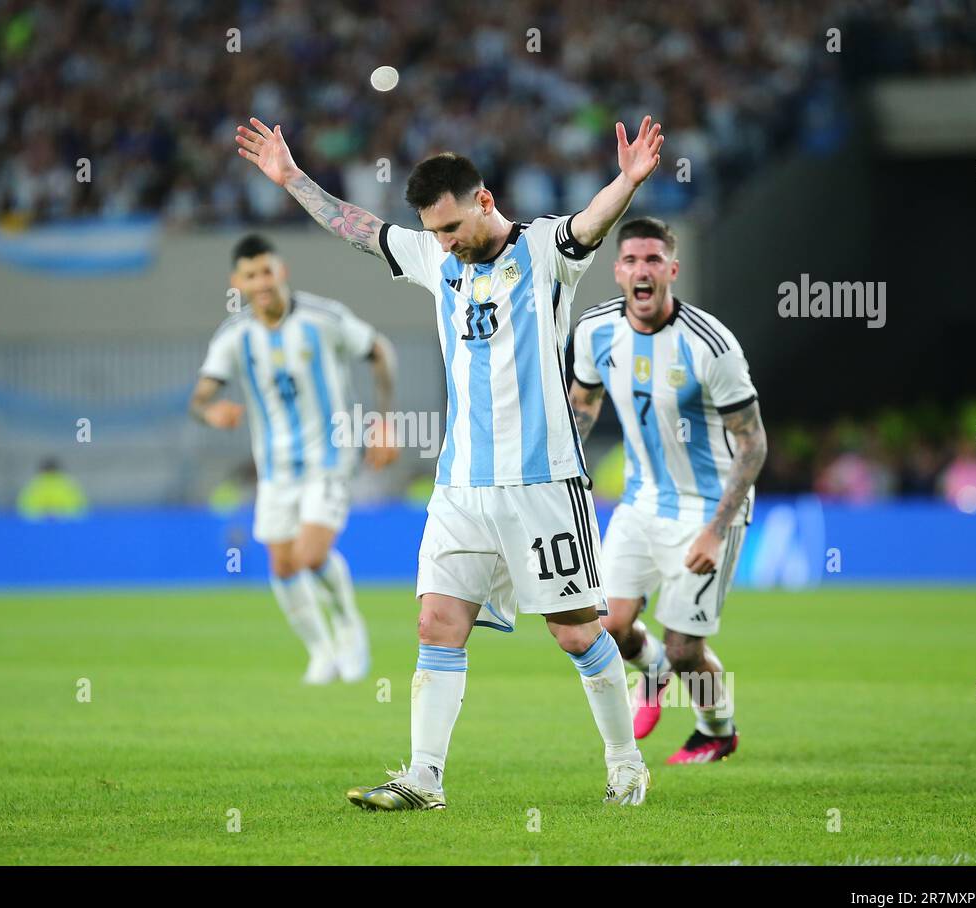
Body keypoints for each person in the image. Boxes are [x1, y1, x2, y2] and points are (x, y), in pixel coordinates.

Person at [236, 113, 664, 809]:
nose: (446, 244)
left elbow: (590, 222)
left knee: (576, 631)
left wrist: (627, 180)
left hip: (543, 482)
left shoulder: (545, 250)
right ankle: (424, 777)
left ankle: (624, 764)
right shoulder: (437, 257)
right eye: (434, 232)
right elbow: (359, 229)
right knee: (437, 623)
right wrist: (290, 178)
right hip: (461, 485)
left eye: (453, 228)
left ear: (485, 201)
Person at [570, 217, 768, 764]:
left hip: (706, 509)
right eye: (632, 260)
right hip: (640, 500)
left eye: (653, 260)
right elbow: (583, 403)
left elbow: (752, 445)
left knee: (686, 649)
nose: (642, 270)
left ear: (672, 270)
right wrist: (562, 466)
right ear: (617, 271)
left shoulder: (711, 345)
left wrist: (715, 531)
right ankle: (650, 668)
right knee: (606, 624)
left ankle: (716, 730)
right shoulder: (594, 330)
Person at [190, 234, 399, 684]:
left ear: (280, 270)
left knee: (309, 553)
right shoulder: (234, 336)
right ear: (237, 282)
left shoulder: (323, 318)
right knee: (282, 565)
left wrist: (385, 422)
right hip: (275, 469)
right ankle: (321, 650)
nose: (261, 282)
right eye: (250, 275)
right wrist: (212, 413)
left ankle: (348, 628)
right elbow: (200, 397)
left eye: (266, 271)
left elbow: (380, 351)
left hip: (331, 457)